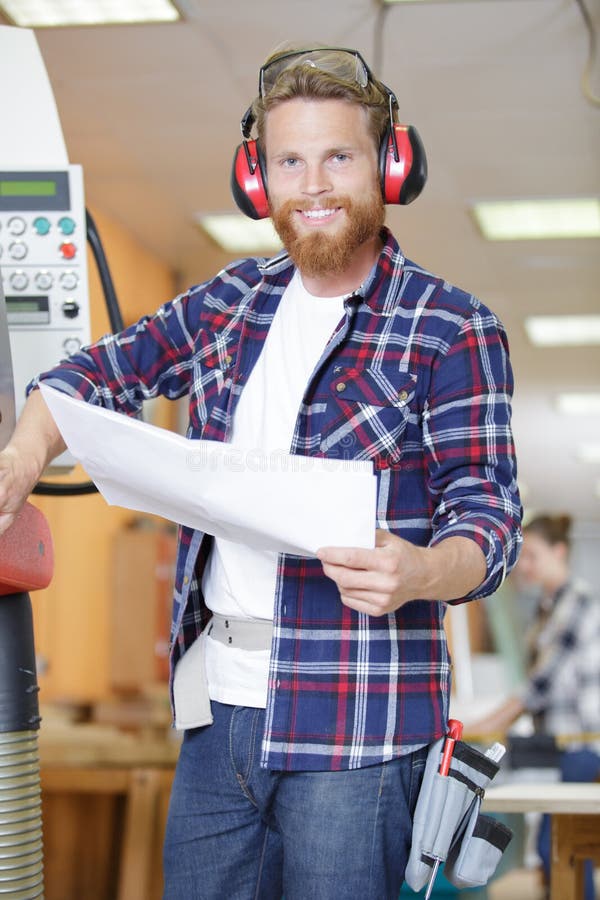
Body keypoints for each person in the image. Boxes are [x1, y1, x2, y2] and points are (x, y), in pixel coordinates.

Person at [0, 45, 522, 899]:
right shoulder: (226, 305)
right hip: (216, 723)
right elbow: (86, 378)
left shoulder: (452, 327)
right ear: (259, 178)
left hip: (358, 731)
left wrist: (421, 569)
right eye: (290, 161)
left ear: (388, 166)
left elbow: (490, 520)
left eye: (338, 157)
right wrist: (21, 457)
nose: (313, 184)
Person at [471, 513, 600, 900]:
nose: (524, 565)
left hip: (580, 745)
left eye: (533, 556)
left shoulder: (575, 602)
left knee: (563, 848)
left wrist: (479, 724)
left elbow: (536, 687)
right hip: (555, 746)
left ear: (560, 552)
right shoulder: (547, 608)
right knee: (557, 849)